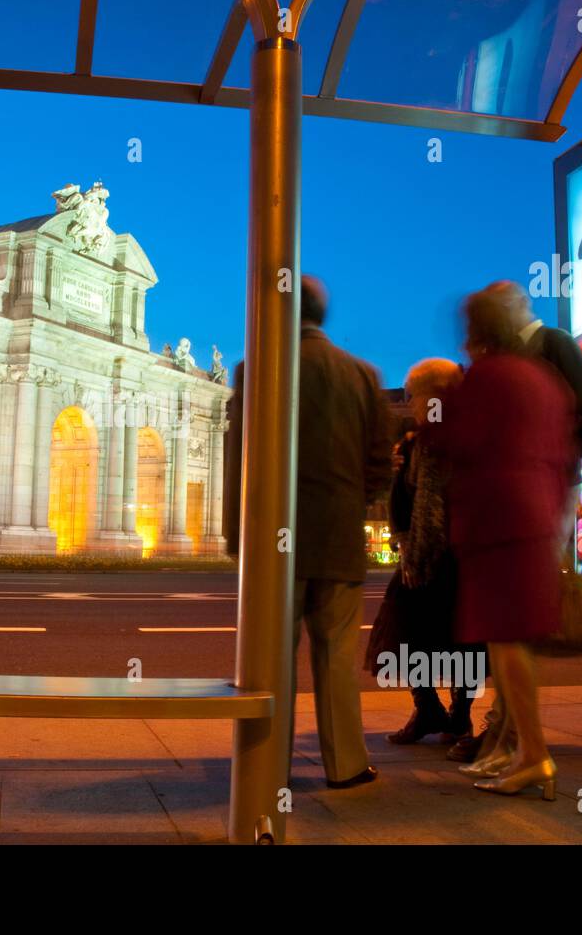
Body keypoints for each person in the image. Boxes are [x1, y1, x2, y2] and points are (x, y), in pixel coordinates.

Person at [225, 275, 392, 789]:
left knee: (272, 655)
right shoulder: (363, 374)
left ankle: (269, 764)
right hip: (339, 539)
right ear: (321, 315)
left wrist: (236, 535)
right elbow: (380, 465)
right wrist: (347, 506)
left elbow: (239, 461)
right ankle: (346, 765)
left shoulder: (256, 369)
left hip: (276, 540)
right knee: (337, 654)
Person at [445, 281, 582, 767]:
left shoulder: (544, 349)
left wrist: (564, 460)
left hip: (514, 513)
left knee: (508, 628)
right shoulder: (524, 365)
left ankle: (519, 745)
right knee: (508, 630)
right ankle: (511, 740)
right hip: (533, 504)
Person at [365, 358, 477, 745]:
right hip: (438, 554)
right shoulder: (426, 436)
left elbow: (431, 501)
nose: (410, 401)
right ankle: (442, 713)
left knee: (415, 633)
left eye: (413, 393)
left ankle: (446, 712)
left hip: (438, 557)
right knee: (446, 637)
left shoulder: (440, 435)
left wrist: (416, 553)